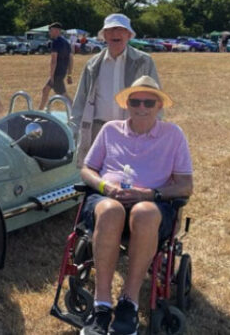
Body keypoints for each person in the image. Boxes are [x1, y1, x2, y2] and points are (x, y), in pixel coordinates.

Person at [79, 76, 193, 335]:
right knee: (110, 210)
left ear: (159, 105)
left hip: (152, 206)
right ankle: (102, 305)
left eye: (148, 102)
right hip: (107, 200)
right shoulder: (110, 130)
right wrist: (104, 187)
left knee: (144, 213)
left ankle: (129, 303)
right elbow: (87, 169)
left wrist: (150, 194)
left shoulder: (173, 135)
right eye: (135, 101)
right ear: (127, 104)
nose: (141, 106)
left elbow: (185, 186)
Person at [70, 13, 160, 167]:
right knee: (97, 174)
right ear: (104, 35)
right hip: (99, 131)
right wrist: (74, 129)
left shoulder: (144, 62)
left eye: (120, 29)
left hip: (133, 129)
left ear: (129, 34)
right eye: (110, 30)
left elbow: (156, 98)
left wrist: (155, 129)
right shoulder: (93, 64)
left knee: (131, 174)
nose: (115, 34)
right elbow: (81, 100)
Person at [38, 22, 74, 110]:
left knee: (63, 95)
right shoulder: (66, 43)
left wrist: (51, 76)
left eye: (51, 31)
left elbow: (53, 60)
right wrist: (69, 74)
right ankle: (40, 110)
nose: (49, 33)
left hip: (56, 73)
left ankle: (76, 111)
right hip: (62, 72)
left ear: (56, 31)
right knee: (45, 90)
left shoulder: (55, 42)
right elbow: (71, 60)